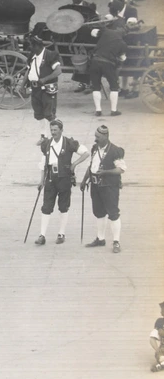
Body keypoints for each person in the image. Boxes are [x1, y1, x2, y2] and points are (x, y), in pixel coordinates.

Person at [34, 119, 90, 246]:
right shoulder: (47, 144)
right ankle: (42, 235)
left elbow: (86, 153)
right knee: (46, 206)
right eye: (51, 130)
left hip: (64, 178)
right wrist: (41, 180)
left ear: (61, 130)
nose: (53, 133)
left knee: (63, 206)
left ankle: (61, 233)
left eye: (55, 130)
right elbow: (44, 162)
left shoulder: (69, 143)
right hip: (50, 178)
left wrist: (74, 164)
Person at [79, 124, 126, 254]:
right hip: (95, 186)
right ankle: (100, 238)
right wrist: (84, 180)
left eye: (98, 137)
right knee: (99, 212)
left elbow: (121, 169)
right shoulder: (95, 148)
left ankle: (116, 241)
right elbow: (91, 166)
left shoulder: (115, 150)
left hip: (109, 187)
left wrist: (105, 172)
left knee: (113, 213)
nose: (95, 139)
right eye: (95, 136)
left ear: (105, 136)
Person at [88, 16, 128, 117]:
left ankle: (98, 110)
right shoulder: (123, 44)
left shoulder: (106, 31)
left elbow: (93, 33)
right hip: (108, 64)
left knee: (96, 87)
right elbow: (122, 58)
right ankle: (113, 111)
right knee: (114, 87)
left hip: (95, 61)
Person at [26, 33, 61, 144]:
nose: (29, 48)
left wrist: (45, 79)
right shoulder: (32, 55)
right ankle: (44, 136)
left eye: (31, 46)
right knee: (39, 114)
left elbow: (58, 71)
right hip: (35, 89)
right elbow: (28, 71)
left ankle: (58, 137)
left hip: (47, 89)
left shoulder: (50, 55)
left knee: (49, 114)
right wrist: (22, 85)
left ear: (37, 46)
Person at [149, 301, 164, 373]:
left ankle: (161, 365)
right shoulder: (160, 322)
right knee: (160, 356)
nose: (161, 311)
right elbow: (152, 337)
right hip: (163, 349)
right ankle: (162, 363)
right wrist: (157, 349)